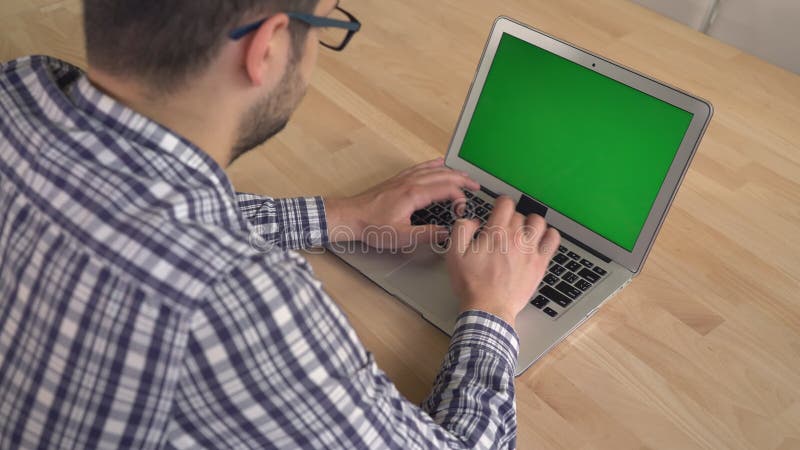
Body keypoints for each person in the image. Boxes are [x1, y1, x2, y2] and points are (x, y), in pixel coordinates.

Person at [0, 0, 560, 448]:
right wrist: (491, 306)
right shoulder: (233, 301)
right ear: (266, 47)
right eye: (322, 24)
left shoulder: (20, 89)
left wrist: (339, 217)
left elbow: (128, 208)